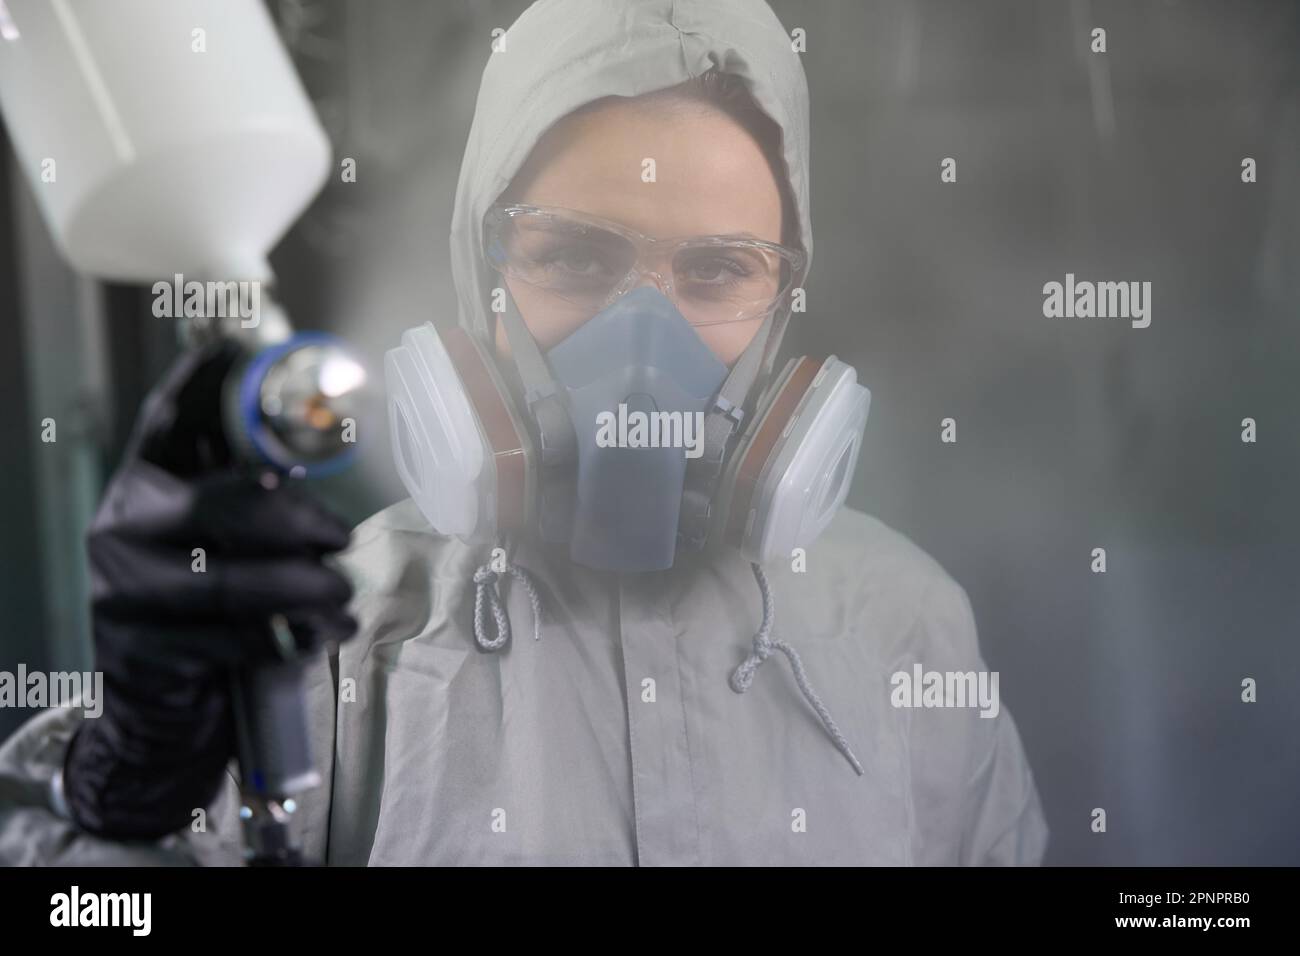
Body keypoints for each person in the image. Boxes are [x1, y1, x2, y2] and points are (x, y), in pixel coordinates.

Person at [0, 0, 1048, 866]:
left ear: (785, 303)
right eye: (575, 256)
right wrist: (137, 777)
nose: (645, 341)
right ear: (483, 279)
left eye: (720, 269)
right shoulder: (323, 644)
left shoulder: (908, 625)